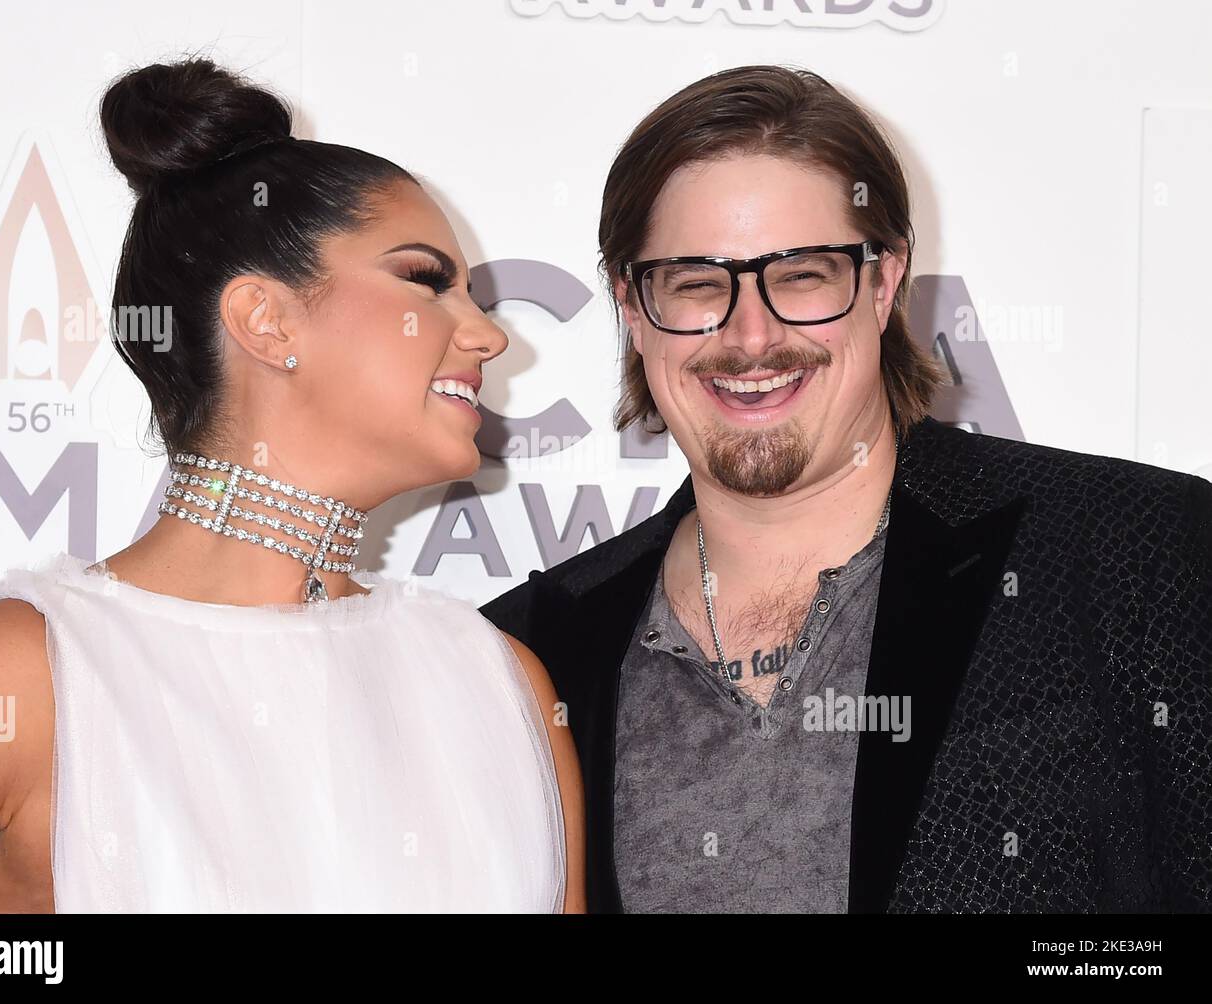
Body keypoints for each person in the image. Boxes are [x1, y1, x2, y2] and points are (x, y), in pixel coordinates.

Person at [480, 64, 1212, 913]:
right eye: (696, 284)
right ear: (632, 308)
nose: (752, 335)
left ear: (884, 280)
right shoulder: (532, 652)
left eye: (802, 276)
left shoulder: (1139, 552)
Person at [0, 58, 584, 913]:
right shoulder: (23, 676)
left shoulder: (501, 682)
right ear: (267, 322)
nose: (488, 336)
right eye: (425, 280)